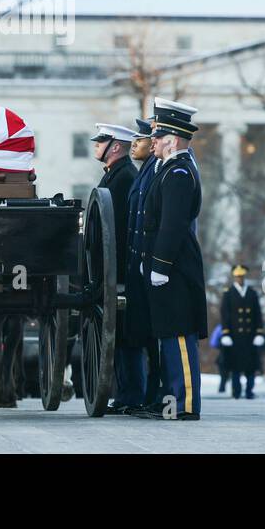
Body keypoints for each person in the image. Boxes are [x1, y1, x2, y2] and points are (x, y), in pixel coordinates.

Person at [137, 98, 206, 420]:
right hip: (165, 263)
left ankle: (186, 403)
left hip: (175, 265)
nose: (152, 142)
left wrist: (160, 265)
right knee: (168, 334)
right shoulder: (168, 170)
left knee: (179, 334)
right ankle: (172, 400)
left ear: (172, 140)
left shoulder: (178, 172)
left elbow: (173, 224)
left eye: (157, 136)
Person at [87, 123, 139, 414]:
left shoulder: (123, 178)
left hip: (117, 270)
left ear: (115, 146)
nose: (96, 145)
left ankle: (130, 394)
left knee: (125, 337)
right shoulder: (114, 177)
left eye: (101, 141)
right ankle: (124, 394)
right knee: (118, 337)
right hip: (108, 271)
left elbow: (118, 230)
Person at [123, 117, 160, 410]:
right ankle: (144, 396)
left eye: (140, 139)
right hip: (139, 263)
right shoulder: (144, 172)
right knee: (144, 334)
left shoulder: (154, 171)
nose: (133, 144)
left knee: (153, 338)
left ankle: (155, 395)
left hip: (149, 264)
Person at [219, 264, 264, 399]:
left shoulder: (252, 293)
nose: (240, 279)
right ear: (234, 277)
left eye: (242, 276)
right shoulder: (228, 294)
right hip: (235, 335)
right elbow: (225, 314)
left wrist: (259, 332)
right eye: (238, 276)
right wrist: (226, 333)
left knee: (250, 365)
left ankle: (249, 390)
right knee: (235, 366)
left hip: (250, 336)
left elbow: (257, 315)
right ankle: (236, 391)